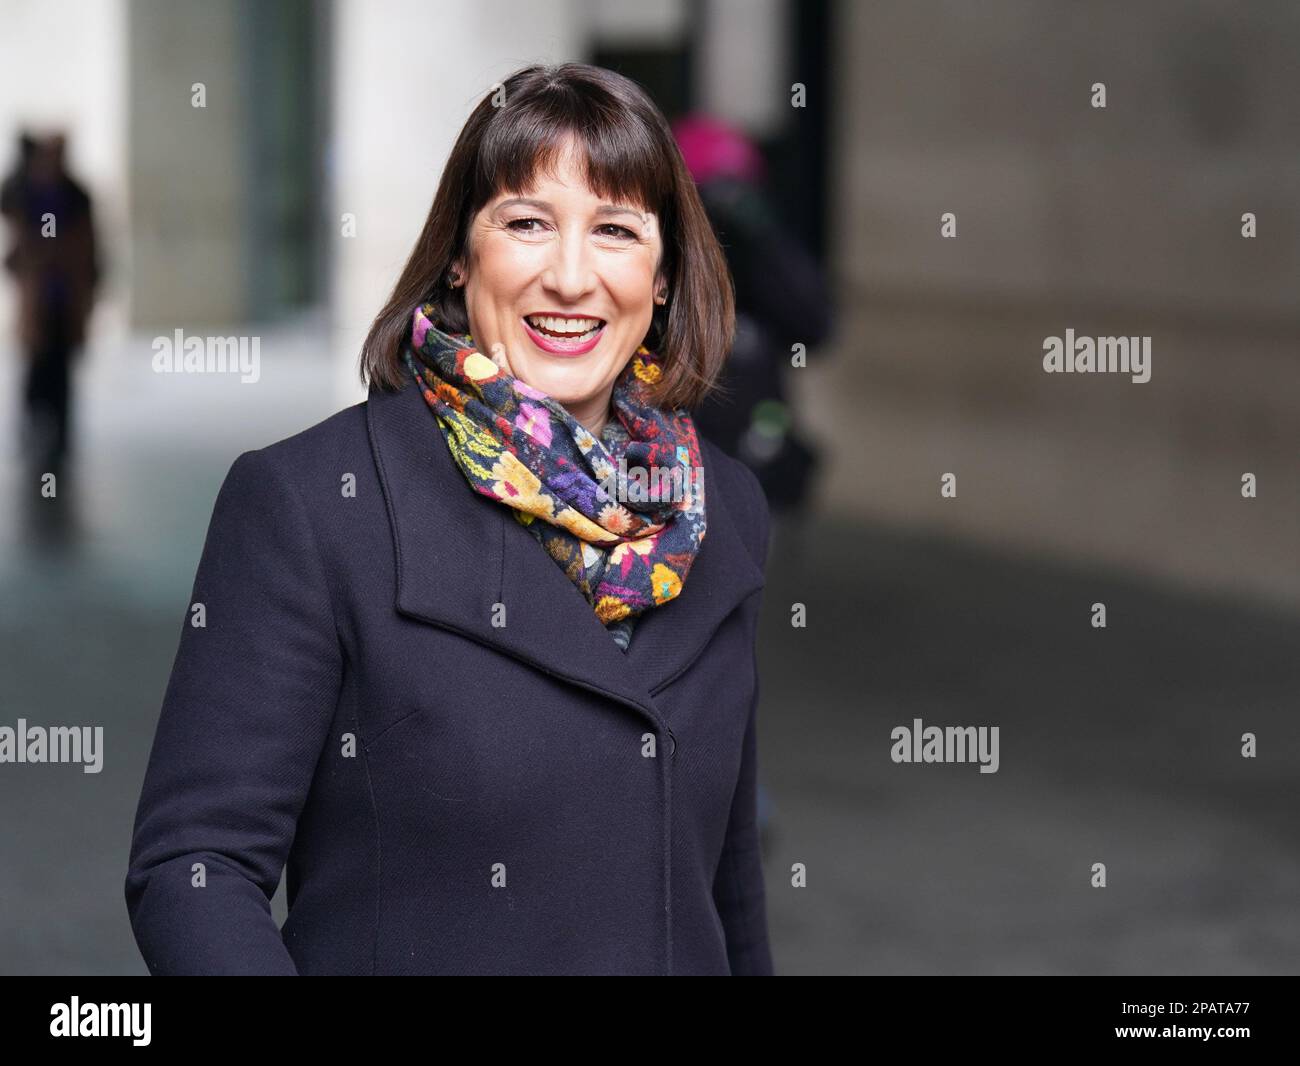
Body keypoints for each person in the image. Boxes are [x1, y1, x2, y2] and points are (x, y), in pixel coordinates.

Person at [124, 63, 776, 975]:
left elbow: (726, 879)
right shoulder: (313, 502)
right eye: (527, 223)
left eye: (617, 231)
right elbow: (194, 868)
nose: (572, 276)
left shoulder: (721, 510)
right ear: (461, 256)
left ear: (662, 277)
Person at [0, 131, 100, 470]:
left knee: (61, 377)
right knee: (36, 375)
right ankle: (36, 437)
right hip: (38, 305)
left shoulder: (74, 196)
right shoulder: (29, 193)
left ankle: (58, 444)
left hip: (65, 304)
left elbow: (89, 251)